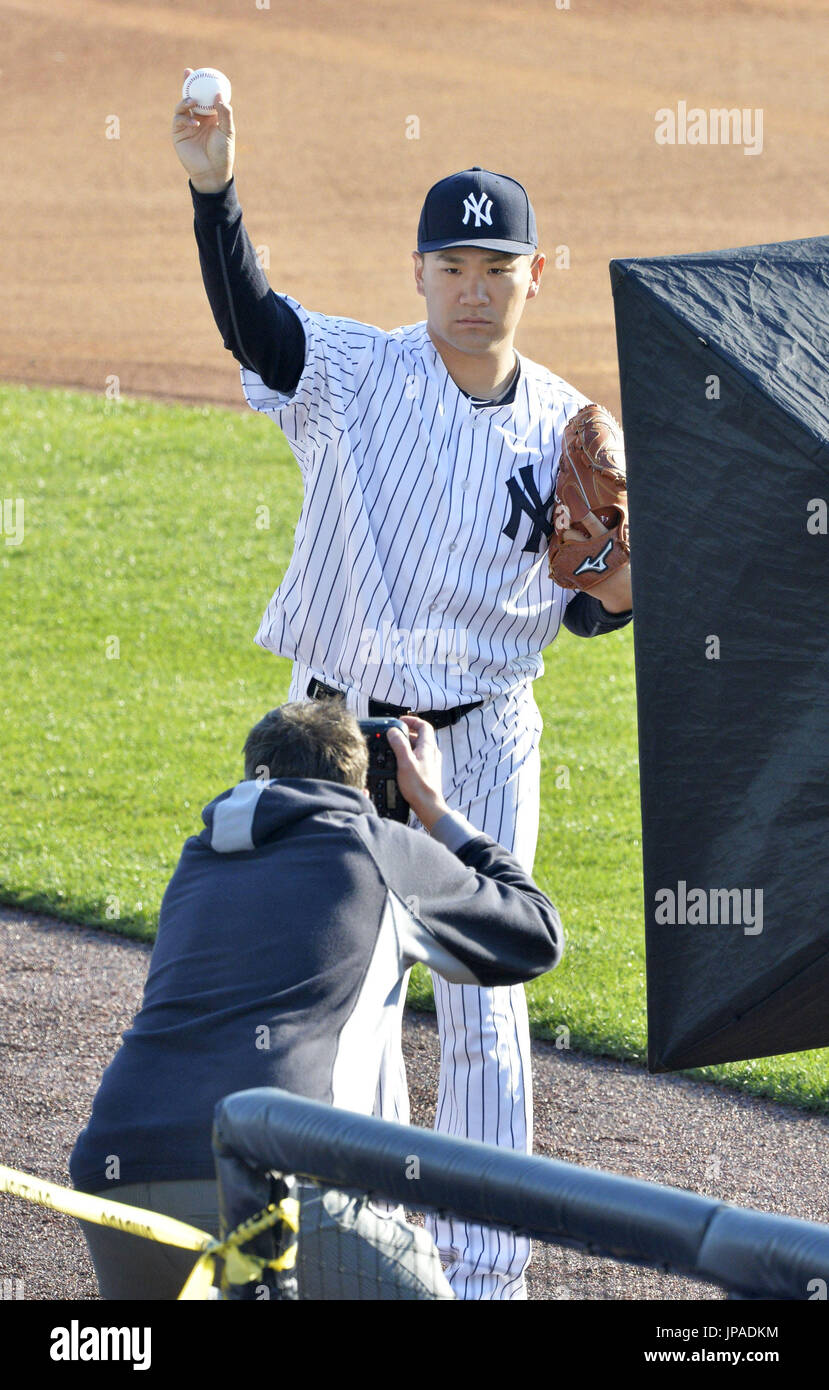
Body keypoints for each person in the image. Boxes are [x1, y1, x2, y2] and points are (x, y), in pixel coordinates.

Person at [171, 70, 633, 1301]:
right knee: (345, 985)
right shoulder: (353, 373)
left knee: (488, 1002)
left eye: (497, 267)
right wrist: (216, 193)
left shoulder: (572, 428)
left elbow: (590, 606)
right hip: (333, 736)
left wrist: (620, 597)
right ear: (418, 272)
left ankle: (487, 1280)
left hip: (482, 739)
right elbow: (253, 320)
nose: (474, 289)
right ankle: (355, 1258)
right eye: (452, 267)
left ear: (534, 275)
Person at [70, 701, 563, 1300]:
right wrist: (434, 809)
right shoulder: (381, 847)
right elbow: (535, 935)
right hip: (281, 1180)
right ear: (365, 779)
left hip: (117, 1175)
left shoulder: (198, 859)